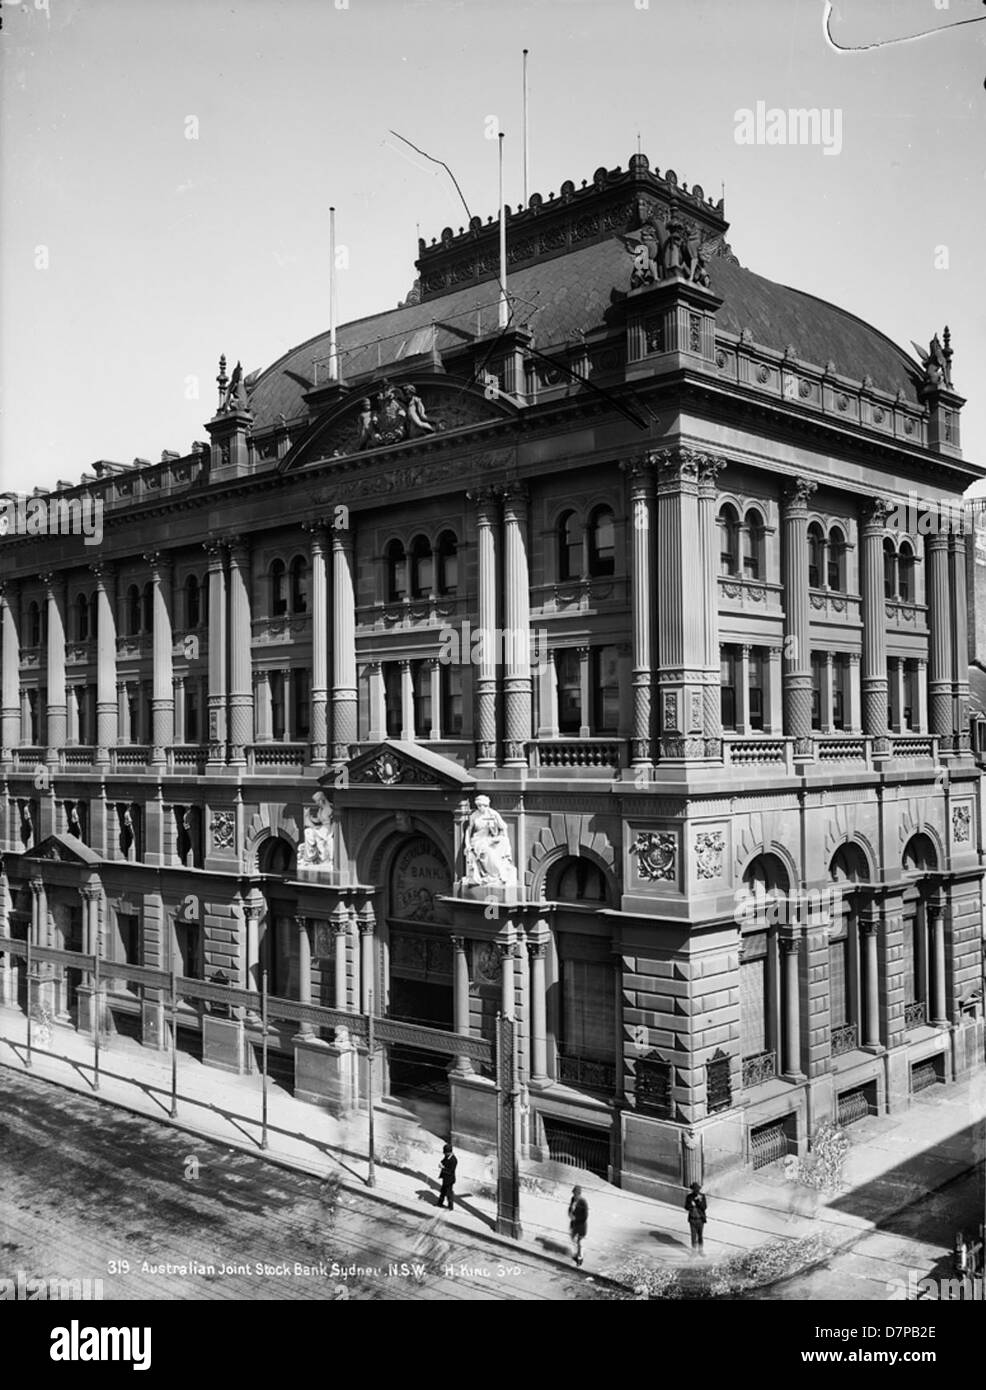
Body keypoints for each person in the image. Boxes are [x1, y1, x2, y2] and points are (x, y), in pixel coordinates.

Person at [685, 1181, 708, 1254]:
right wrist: (691, 1205)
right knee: (693, 1237)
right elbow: (686, 1207)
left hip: (700, 1219)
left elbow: (704, 1207)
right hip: (692, 1220)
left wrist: (699, 1201)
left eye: (697, 1190)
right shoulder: (689, 1197)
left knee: (700, 1236)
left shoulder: (702, 1196)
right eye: (695, 1190)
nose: (696, 1191)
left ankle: (701, 1250)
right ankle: (693, 1252)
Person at [568, 1186, 589, 1267]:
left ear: (579, 1194)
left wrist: (576, 1218)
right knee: (573, 1238)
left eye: (575, 1194)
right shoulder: (572, 1199)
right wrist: (569, 1213)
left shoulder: (583, 1202)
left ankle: (580, 1258)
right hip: (574, 1224)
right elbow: (570, 1208)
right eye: (573, 1193)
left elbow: (585, 1216)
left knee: (580, 1242)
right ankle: (578, 1252)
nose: (574, 1195)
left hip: (581, 1225)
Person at [437, 1144, 457, 1211]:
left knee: (449, 1193)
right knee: (442, 1191)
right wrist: (441, 1163)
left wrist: (443, 1168)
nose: (444, 1154)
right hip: (445, 1178)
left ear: (449, 1152)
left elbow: (450, 1171)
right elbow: (443, 1160)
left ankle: (450, 1207)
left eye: (445, 1152)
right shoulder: (447, 1156)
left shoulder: (453, 1160)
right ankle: (439, 1203)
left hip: (449, 1180)